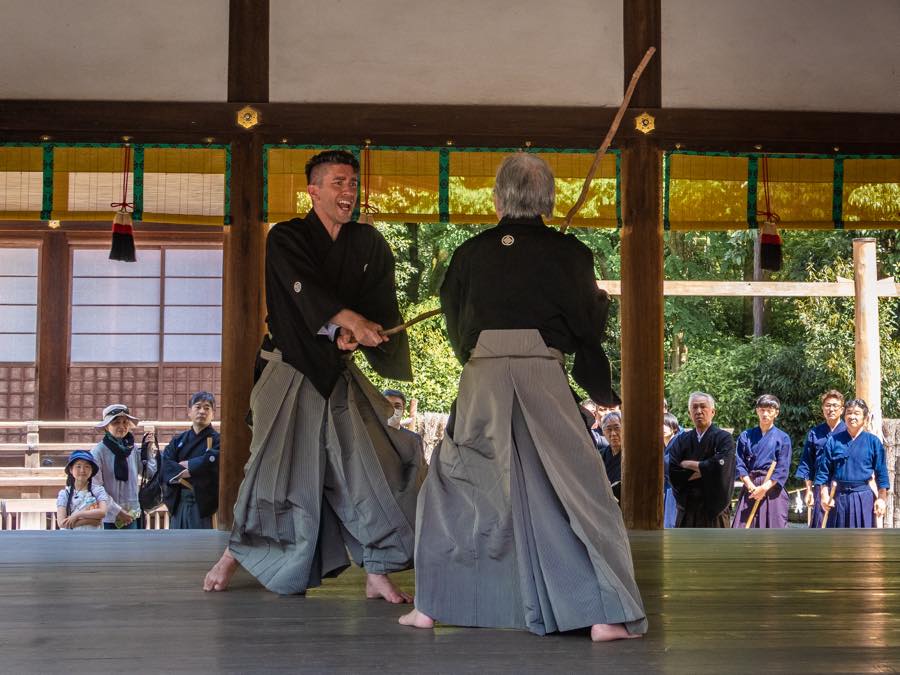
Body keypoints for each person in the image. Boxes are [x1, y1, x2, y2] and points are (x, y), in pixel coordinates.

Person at [400, 153, 646, 642]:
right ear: (549, 201)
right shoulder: (570, 253)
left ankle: (431, 607)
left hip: (483, 374)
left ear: (497, 200)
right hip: (541, 372)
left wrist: (482, 354)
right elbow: (585, 326)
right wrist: (597, 312)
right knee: (575, 485)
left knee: (456, 484)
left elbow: (455, 322)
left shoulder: (471, 252)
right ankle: (604, 614)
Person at [204, 150, 424, 603]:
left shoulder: (367, 243)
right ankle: (236, 552)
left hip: (336, 371)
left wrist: (357, 332)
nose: (349, 192)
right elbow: (303, 292)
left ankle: (377, 567)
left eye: (354, 184)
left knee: (369, 469)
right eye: (339, 183)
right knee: (270, 466)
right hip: (289, 367)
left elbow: (376, 301)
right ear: (314, 190)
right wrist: (343, 321)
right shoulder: (287, 237)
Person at [816, 398, 889, 528]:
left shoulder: (873, 442)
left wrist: (881, 498)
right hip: (838, 498)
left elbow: (882, 474)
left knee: (863, 543)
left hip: (864, 498)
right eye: (849, 413)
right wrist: (824, 495)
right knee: (838, 544)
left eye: (857, 413)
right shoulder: (834, 441)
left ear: (865, 418)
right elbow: (823, 473)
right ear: (844, 416)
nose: (852, 416)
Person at [668, 392, 736, 528]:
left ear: (713, 412)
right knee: (686, 549)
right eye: (694, 408)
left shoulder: (724, 438)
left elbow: (722, 469)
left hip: (714, 510)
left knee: (715, 549)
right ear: (689, 413)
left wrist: (688, 464)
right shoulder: (681, 440)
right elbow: (674, 473)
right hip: (687, 509)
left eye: (703, 407)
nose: (698, 411)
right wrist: (708, 469)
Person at [90, 403, 157, 529]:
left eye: (125, 422)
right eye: (116, 423)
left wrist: (147, 451)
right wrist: (117, 511)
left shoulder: (133, 449)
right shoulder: (98, 452)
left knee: (132, 548)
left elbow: (149, 473)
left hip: (132, 514)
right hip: (108, 516)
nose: (121, 426)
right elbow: (95, 486)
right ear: (106, 427)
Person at [731, 394, 792, 528]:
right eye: (762, 410)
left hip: (772, 488)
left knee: (773, 531)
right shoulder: (745, 436)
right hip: (750, 487)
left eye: (769, 410)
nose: (765, 414)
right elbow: (740, 464)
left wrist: (764, 489)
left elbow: (782, 468)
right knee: (743, 527)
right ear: (757, 411)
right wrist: (751, 487)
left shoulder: (783, 438)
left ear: (776, 413)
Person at [161, 391, 220, 529]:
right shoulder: (178, 441)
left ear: (213, 414)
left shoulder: (218, 440)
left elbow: (217, 461)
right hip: (179, 501)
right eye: (197, 407)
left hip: (203, 505)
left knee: (201, 547)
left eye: (207, 408)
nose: (202, 411)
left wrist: (191, 467)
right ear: (189, 412)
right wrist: (195, 468)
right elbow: (166, 464)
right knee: (178, 546)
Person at [795, 390, 845, 528]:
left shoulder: (848, 432)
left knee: (841, 524)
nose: (831, 409)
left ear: (842, 409)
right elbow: (807, 463)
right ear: (823, 409)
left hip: (843, 487)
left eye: (835, 405)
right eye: (828, 405)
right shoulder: (815, 433)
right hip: (820, 485)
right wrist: (809, 490)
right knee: (820, 524)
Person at [56, 450, 109, 530]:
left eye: (87, 466)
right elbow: (62, 523)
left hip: (93, 539)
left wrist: (77, 515)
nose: (82, 470)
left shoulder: (98, 490)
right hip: (71, 540)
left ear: (91, 471)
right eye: (78, 466)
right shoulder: (64, 494)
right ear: (71, 470)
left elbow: (102, 512)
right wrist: (90, 521)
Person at [599, 411, 623, 502]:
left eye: (617, 428)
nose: (613, 433)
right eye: (608, 429)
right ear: (603, 432)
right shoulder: (600, 455)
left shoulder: (632, 456)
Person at [662, 412, 680, 529]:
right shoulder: (661, 445)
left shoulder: (679, 443)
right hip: (665, 489)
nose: (662, 428)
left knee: (671, 523)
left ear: (674, 428)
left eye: (665, 424)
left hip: (676, 489)